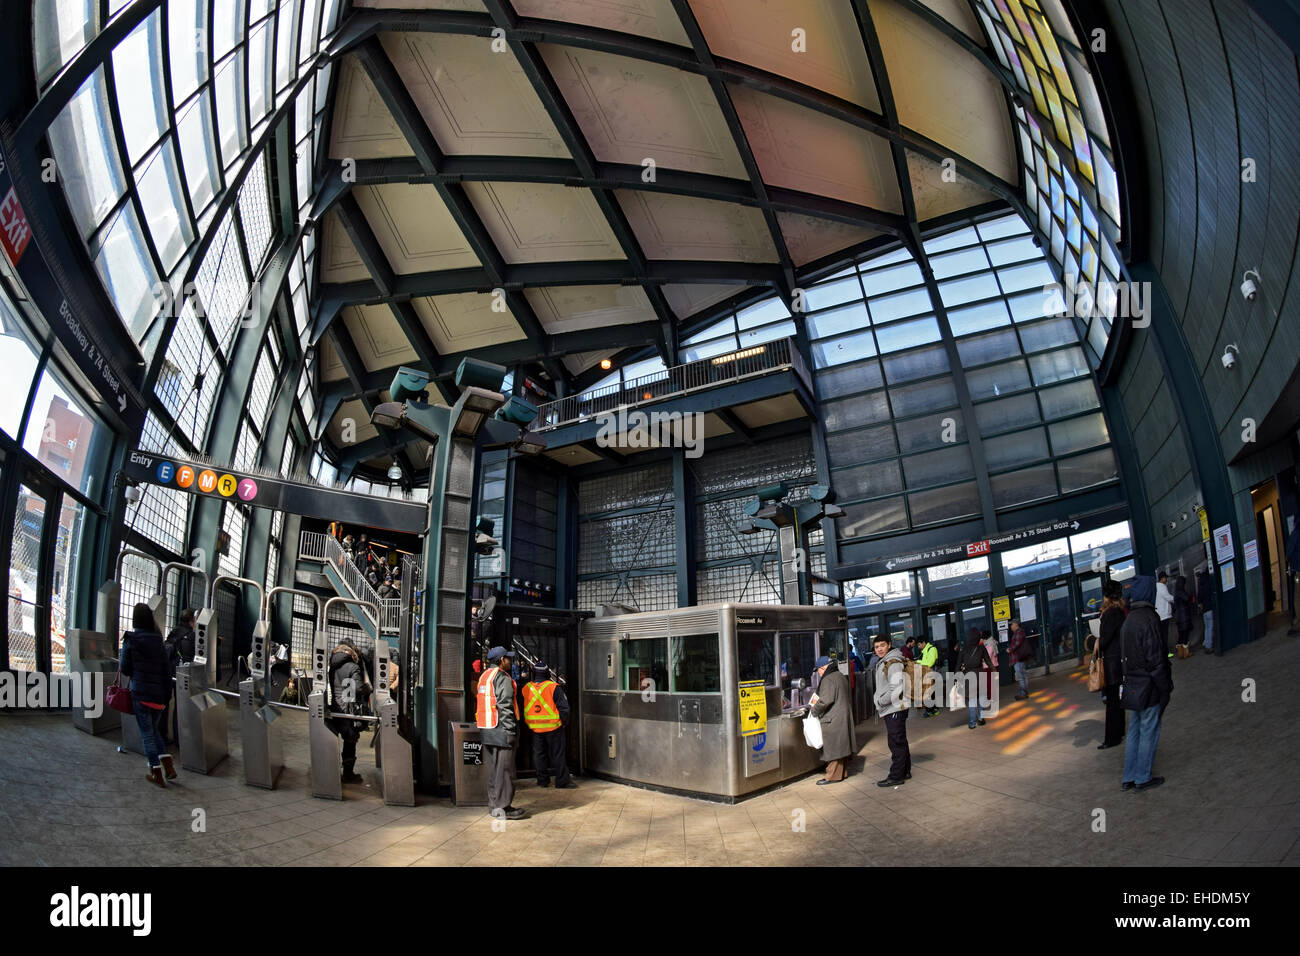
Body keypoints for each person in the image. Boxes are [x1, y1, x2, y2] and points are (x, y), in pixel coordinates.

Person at [1119, 575, 1173, 791]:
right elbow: (1156, 660)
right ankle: (1142, 777)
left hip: (1132, 687)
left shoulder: (1129, 620)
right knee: (1149, 730)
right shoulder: (1150, 619)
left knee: (1134, 731)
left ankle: (1129, 777)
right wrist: (1165, 687)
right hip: (1148, 686)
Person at [120, 603, 176, 787]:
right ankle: (168, 766)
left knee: (147, 735)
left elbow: (125, 669)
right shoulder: (158, 641)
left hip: (141, 694)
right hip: (159, 696)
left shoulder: (131, 640)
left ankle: (156, 772)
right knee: (153, 730)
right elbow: (166, 671)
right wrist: (167, 695)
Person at [477, 646, 526, 819]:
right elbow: (505, 704)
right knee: (505, 771)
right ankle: (504, 807)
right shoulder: (502, 677)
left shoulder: (484, 676)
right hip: (501, 730)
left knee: (493, 771)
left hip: (487, 729)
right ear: (500, 661)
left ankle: (494, 805)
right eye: (507, 658)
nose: (510, 661)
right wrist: (510, 730)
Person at [522, 662, 574, 789]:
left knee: (539, 755)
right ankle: (562, 781)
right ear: (548, 674)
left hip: (534, 728)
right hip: (554, 727)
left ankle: (542, 781)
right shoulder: (553, 687)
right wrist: (564, 722)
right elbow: (564, 708)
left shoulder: (526, 688)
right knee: (557, 754)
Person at [327, 637, 370, 784]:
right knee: (350, 741)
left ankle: (331, 770)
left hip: (335, 707)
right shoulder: (353, 667)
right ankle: (348, 773)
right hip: (349, 710)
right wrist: (367, 688)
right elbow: (357, 688)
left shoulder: (332, 665)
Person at [871, 636, 911, 787]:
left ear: (889, 645)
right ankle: (905, 771)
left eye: (882, 645)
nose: (879, 649)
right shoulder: (885, 661)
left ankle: (896, 776)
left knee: (896, 742)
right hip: (894, 707)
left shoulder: (893, 662)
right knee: (900, 740)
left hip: (894, 707)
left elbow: (897, 688)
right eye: (876, 647)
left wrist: (881, 701)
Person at [809, 655, 853, 784]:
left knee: (834, 748)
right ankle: (842, 773)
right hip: (842, 715)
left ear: (823, 668)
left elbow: (825, 700)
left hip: (833, 717)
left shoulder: (828, 679)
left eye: (819, 670)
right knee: (841, 746)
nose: (819, 673)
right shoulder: (839, 675)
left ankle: (832, 776)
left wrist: (814, 710)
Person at [1097, 580, 1126, 750]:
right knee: (1118, 700)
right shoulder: (1121, 611)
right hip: (1119, 660)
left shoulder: (1109, 614)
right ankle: (1119, 732)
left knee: (1112, 701)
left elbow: (1105, 641)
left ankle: (1112, 738)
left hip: (1112, 663)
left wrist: (1092, 641)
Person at [162, 607, 196, 744]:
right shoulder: (191, 635)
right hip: (181, 673)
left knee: (165, 703)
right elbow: (190, 656)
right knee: (180, 705)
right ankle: (179, 738)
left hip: (167, 671)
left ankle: (162, 734)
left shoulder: (174, 631)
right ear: (191, 621)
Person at [960, 629, 994, 730]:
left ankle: (972, 723)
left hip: (969, 676)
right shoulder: (981, 648)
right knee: (982, 698)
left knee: (972, 700)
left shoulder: (964, 649)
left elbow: (958, 664)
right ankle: (981, 718)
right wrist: (994, 669)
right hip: (980, 674)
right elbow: (988, 660)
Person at [915, 635, 940, 717]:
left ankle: (930, 710)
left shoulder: (932, 649)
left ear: (924, 643)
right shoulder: (925, 651)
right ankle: (933, 709)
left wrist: (919, 661)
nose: (919, 647)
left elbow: (930, 663)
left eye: (919, 645)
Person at [1008, 618, 1031, 700]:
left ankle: (1023, 693)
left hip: (1018, 657)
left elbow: (1017, 643)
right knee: (1023, 675)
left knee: (1021, 676)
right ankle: (1024, 691)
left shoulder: (1019, 632)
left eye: (1012, 624)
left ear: (1016, 624)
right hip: (1020, 657)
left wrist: (1009, 649)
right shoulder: (1019, 632)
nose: (1011, 626)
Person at [1173, 574, 1194, 654]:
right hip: (1184, 616)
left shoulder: (1176, 592)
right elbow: (1186, 598)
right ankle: (1186, 653)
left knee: (1181, 635)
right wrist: (1191, 594)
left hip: (1179, 617)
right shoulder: (1180, 591)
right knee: (1185, 634)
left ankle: (1180, 653)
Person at [1195, 569, 1214, 654]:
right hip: (1209, 607)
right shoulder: (1209, 584)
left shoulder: (1200, 586)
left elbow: (1199, 598)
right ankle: (1209, 646)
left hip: (1204, 609)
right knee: (1210, 627)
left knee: (1207, 627)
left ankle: (1206, 643)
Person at [1155, 571, 1174, 644]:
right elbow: (1168, 597)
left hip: (1159, 614)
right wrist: (1176, 599)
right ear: (1162, 578)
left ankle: (1165, 652)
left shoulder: (1156, 586)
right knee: (1165, 634)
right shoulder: (1161, 586)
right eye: (1166, 578)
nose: (1167, 580)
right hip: (1164, 615)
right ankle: (1166, 652)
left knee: (1162, 634)